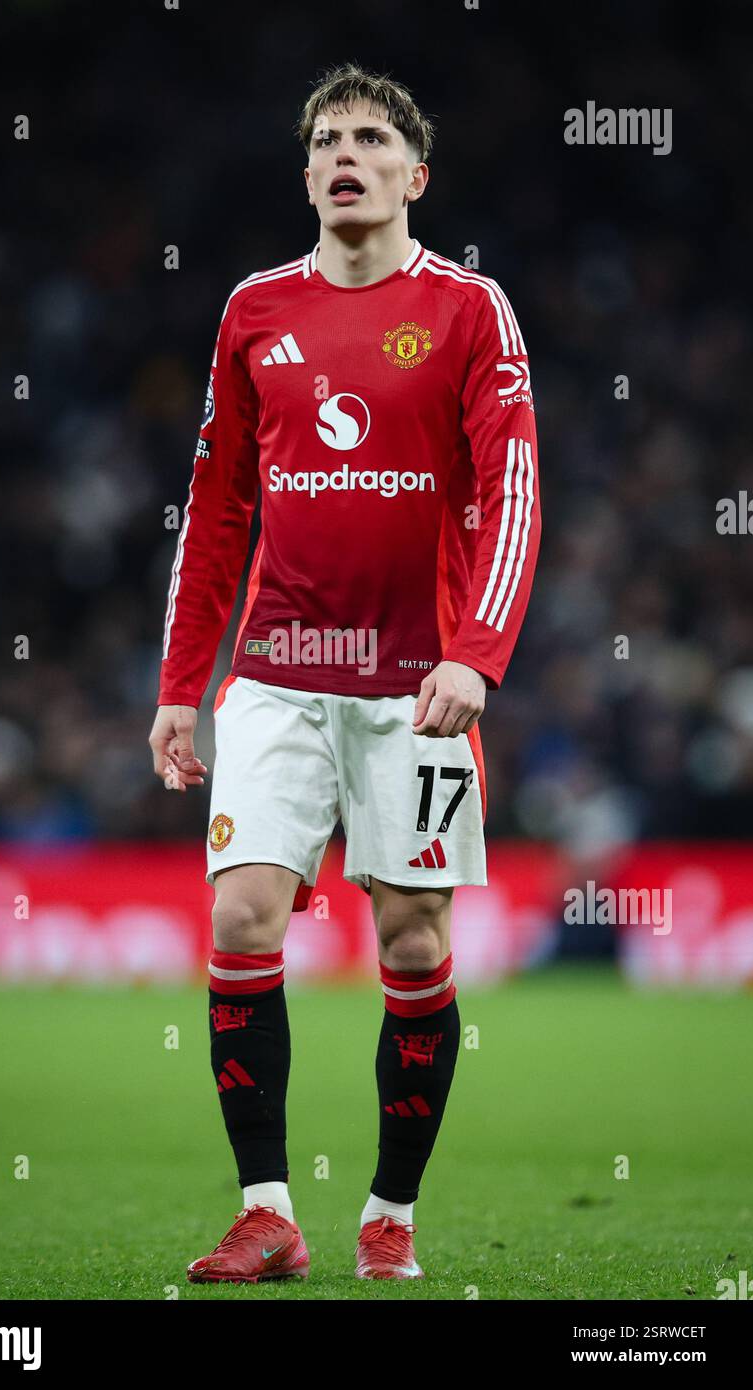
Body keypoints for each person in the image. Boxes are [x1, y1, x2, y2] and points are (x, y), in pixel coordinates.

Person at [149, 62, 541, 1283]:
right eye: (326, 139)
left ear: (412, 176)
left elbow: (515, 484)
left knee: (414, 948)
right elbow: (215, 505)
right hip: (274, 671)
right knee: (243, 914)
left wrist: (477, 655)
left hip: (419, 681)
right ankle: (267, 1211)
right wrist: (179, 681)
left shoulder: (471, 310)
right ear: (307, 173)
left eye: (370, 138)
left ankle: (390, 1213)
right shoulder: (253, 312)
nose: (344, 153)